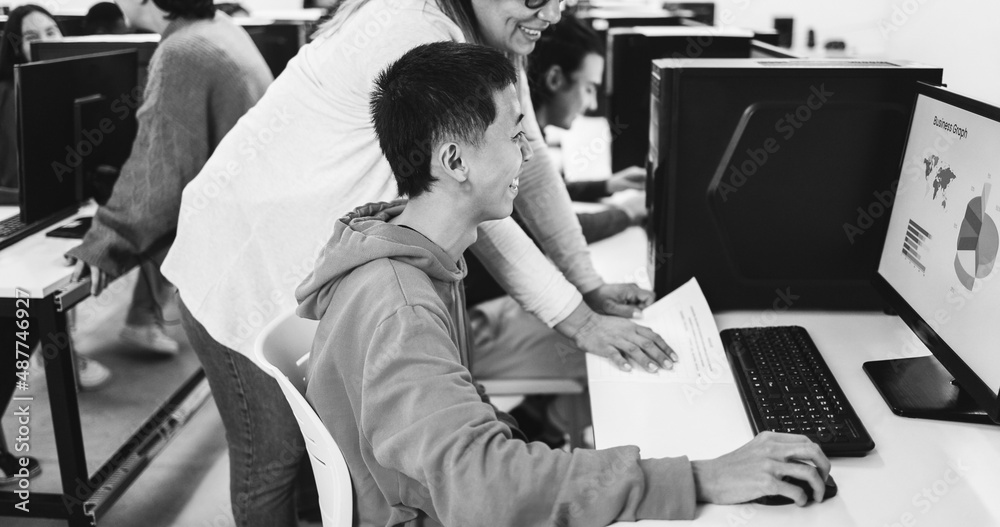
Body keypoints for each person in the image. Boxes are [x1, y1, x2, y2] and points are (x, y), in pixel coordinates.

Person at [161, 0, 674, 524]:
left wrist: (586, 284)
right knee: (275, 460)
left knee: (325, 467)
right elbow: (477, 193)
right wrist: (579, 319)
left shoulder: (484, 39)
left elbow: (527, 164)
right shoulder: (411, 29)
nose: (554, 13)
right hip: (239, 258)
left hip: (314, 261)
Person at [301, 41, 834, 525]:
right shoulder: (402, 306)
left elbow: (465, 433)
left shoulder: (416, 256)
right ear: (454, 161)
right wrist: (699, 477)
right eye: (514, 135)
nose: (527, 154)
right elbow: (483, 489)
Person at [66, 0, 272, 361]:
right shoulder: (219, 27)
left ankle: (142, 318)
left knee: (252, 409)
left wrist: (106, 241)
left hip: (235, 267)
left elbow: (160, 172)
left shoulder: (182, 51)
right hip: (259, 244)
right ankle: (143, 317)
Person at [528, 13, 646, 243]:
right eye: (589, 88)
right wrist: (626, 213)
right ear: (555, 79)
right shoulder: (519, 142)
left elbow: (544, 194)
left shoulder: (531, 130)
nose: (592, 104)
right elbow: (552, 229)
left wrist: (607, 186)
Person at [0, 4, 63, 204]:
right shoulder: (8, 95)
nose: (45, 42)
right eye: (32, 37)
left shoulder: (84, 84)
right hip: (16, 207)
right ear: (17, 48)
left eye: (51, 32)